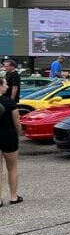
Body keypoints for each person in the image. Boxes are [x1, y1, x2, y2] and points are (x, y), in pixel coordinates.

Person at [0, 76, 22, 205]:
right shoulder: (10, 102)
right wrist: (18, 134)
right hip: (9, 136)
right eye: (5, 84)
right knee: (12, 167)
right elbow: (17, 123)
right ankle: (13, 197)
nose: (7, 86)